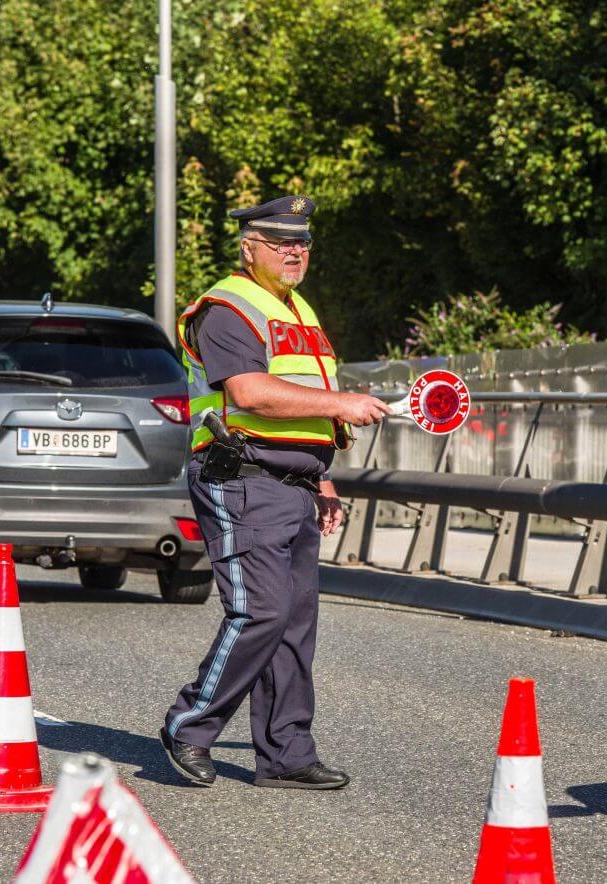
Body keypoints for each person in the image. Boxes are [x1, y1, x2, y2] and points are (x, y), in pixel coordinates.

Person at [160, 195, 391, 789]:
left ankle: (286, 754)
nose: (295, 251)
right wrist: (344, 403)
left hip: (292, 484)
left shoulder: (297, 310)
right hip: (240, 477)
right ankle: (189, 726)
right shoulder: (227, 309)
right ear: (250, 246)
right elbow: (250, 395)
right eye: (281, 242)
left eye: (303, 243)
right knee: (260, 610)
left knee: (294, 622)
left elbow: (302, 408)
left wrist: (322, 478)